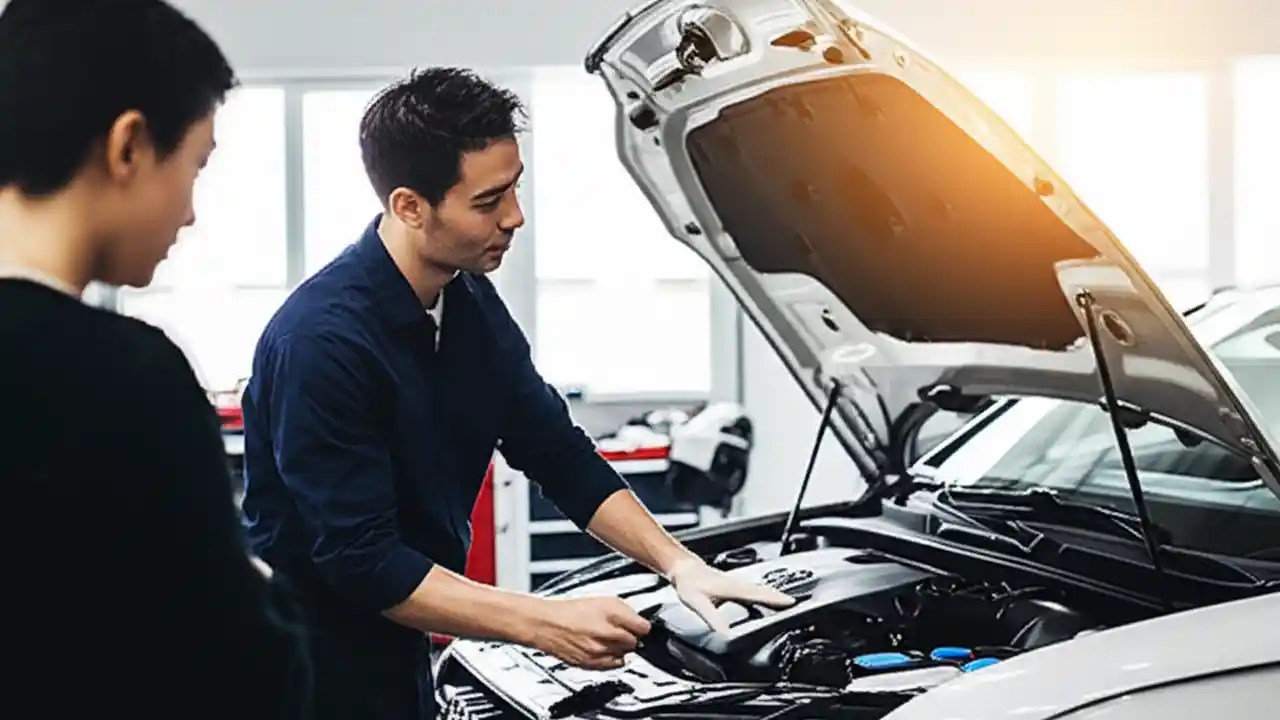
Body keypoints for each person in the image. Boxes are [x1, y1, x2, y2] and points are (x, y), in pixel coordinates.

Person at [240, 66, 794, 720]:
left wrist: (680, 564)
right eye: (487, 201)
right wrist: (543, 622)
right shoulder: (322, 345)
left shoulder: (468, 300)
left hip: (398, 647)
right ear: (409, 206)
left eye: (515, 188)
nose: (515, 217)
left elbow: (556, 450)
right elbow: (365, 563)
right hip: (308, 674)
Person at [0, 1, 310, 718]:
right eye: (194, 166)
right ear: (129, 146)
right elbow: (240, 672)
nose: (191, 212)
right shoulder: (126, 378)